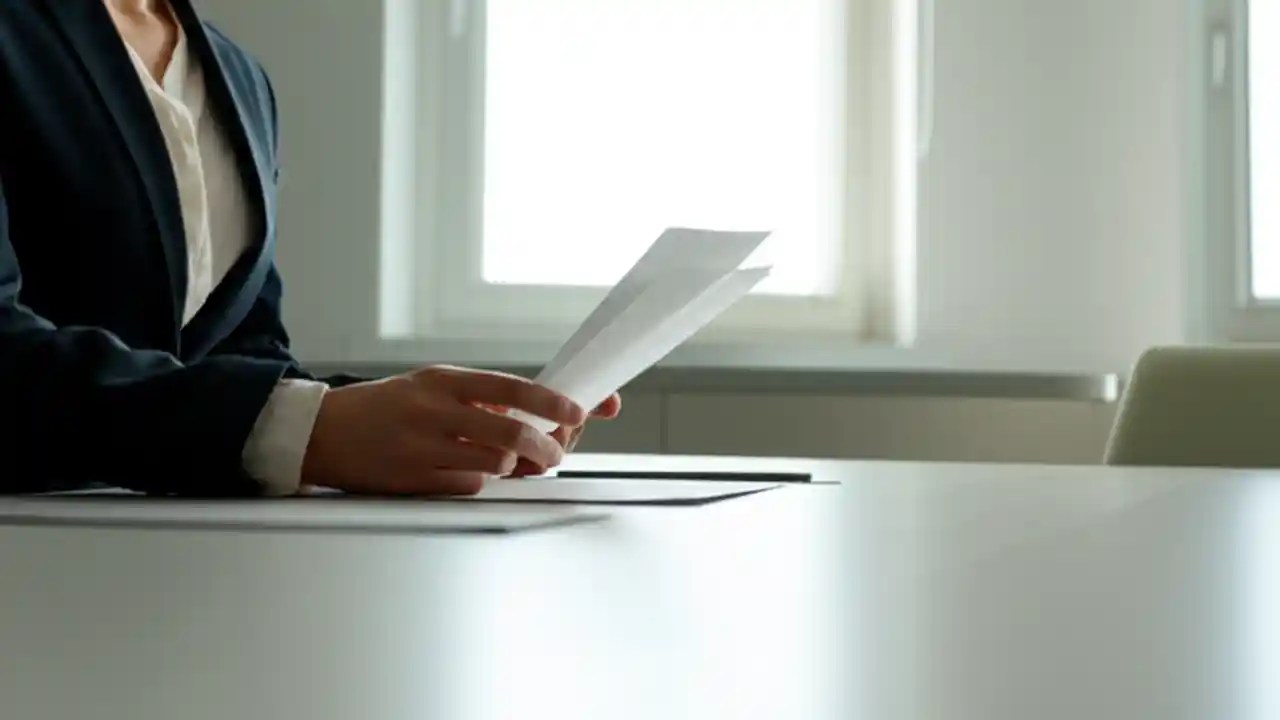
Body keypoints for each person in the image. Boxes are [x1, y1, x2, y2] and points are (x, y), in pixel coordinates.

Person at [0, 0, 620, 497]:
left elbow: (242, 354)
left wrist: (440, 421)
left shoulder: (239, 76)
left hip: (161, 549)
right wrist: (304, 429)